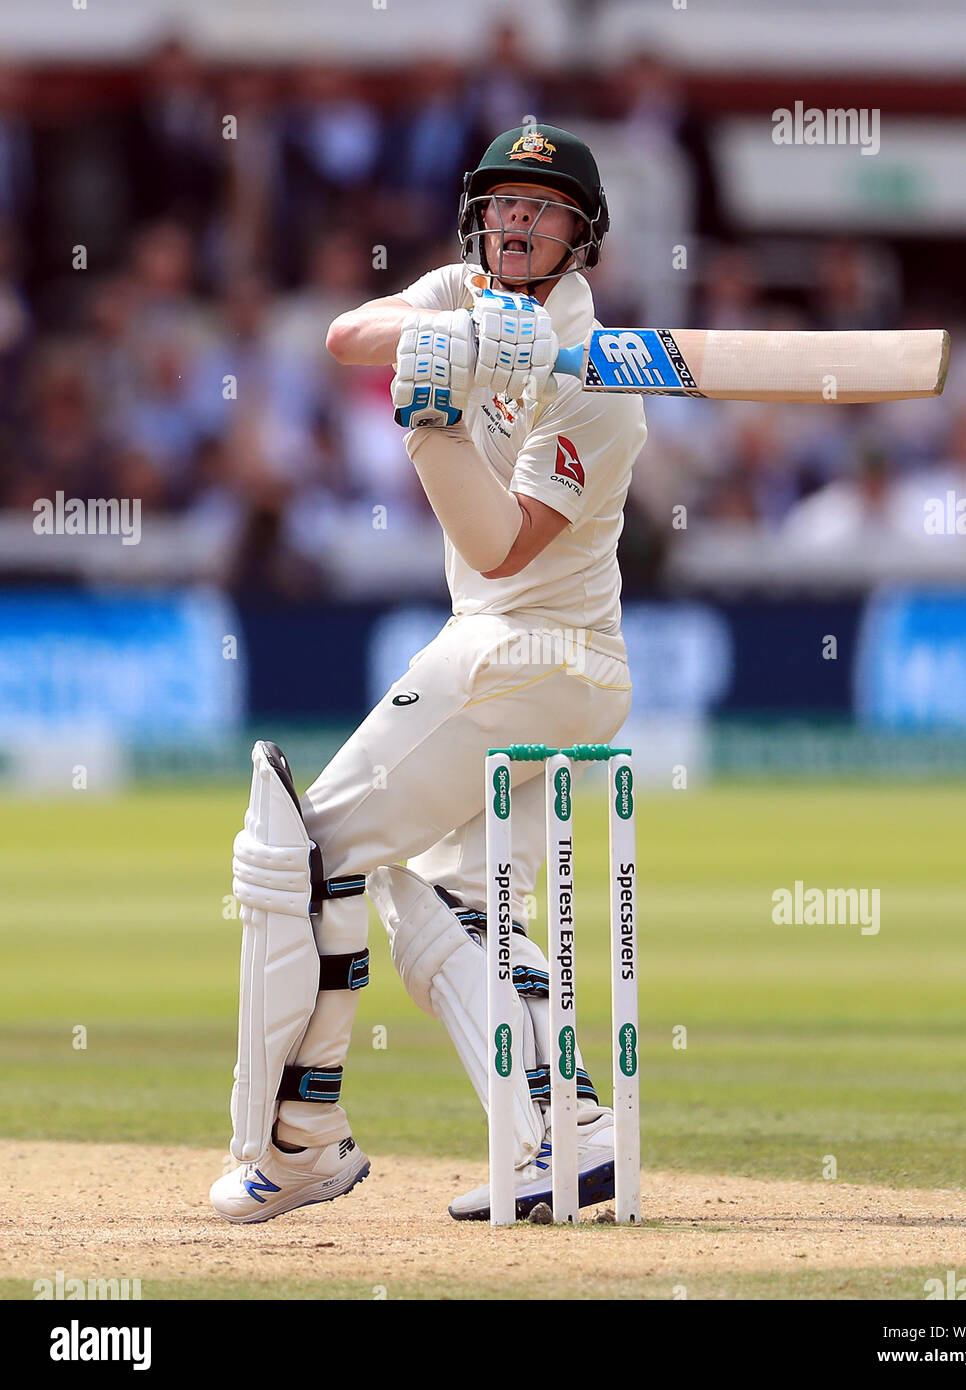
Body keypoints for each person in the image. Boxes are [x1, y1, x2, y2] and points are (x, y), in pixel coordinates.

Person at [210, 125, 647, 1223]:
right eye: (502, 201)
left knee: (306, 850)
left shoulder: (599, 387)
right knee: (440, 896)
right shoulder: (465, 285)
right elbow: (348, 329)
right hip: (522, 656)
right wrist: (455, 331)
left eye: (540, 207)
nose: (513, 220)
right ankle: (574, 1135)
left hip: (534, 649)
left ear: (580, 235)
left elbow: (502, 544)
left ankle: (298, 1138)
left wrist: (431, 430)